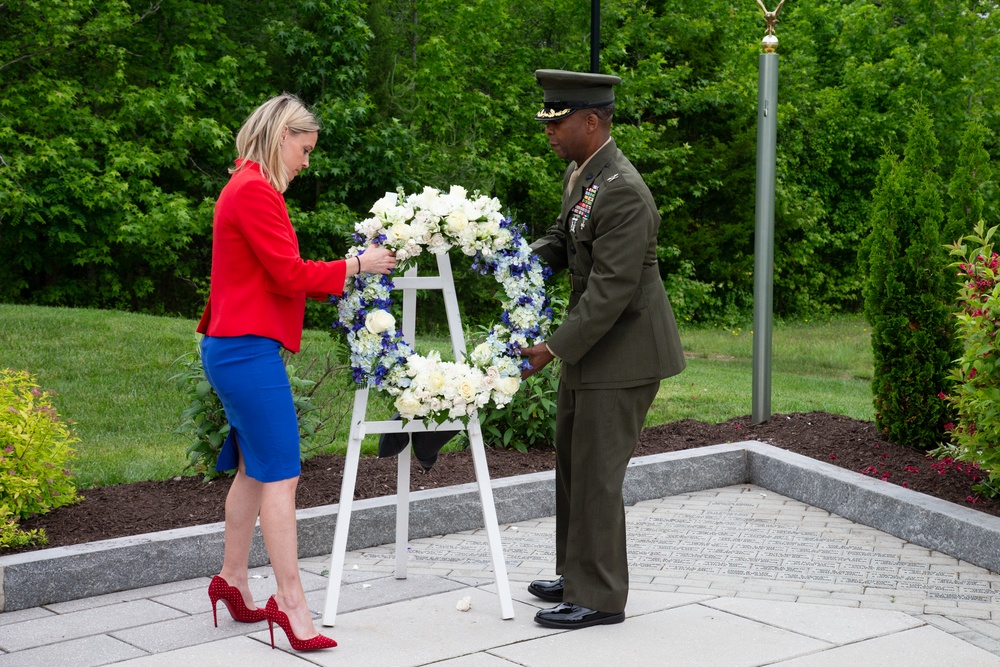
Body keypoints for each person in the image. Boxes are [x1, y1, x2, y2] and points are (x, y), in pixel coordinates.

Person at [196, 93, 396, 651]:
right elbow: (288, 274)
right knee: (281, 474)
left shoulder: (243, 182)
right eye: (304, 149)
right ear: (282, 134)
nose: (307, 162)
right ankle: (292, 606)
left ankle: (231, 581)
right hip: (244, 351)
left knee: (254, 470)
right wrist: (360, 265)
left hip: (232, 347)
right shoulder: (255, 190)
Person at [519, 70, 686, 629]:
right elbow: (564, 239)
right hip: (596, 348)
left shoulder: (625, 192)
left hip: (625, 352)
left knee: (597, 473)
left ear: (591, 122)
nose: (550, 132)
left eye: (557, 122)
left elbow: (611, 292)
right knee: (573, 462)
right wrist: (519, 258)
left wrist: (551, 348)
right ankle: (576, 573)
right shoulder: (584, 175)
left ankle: (601, 596)